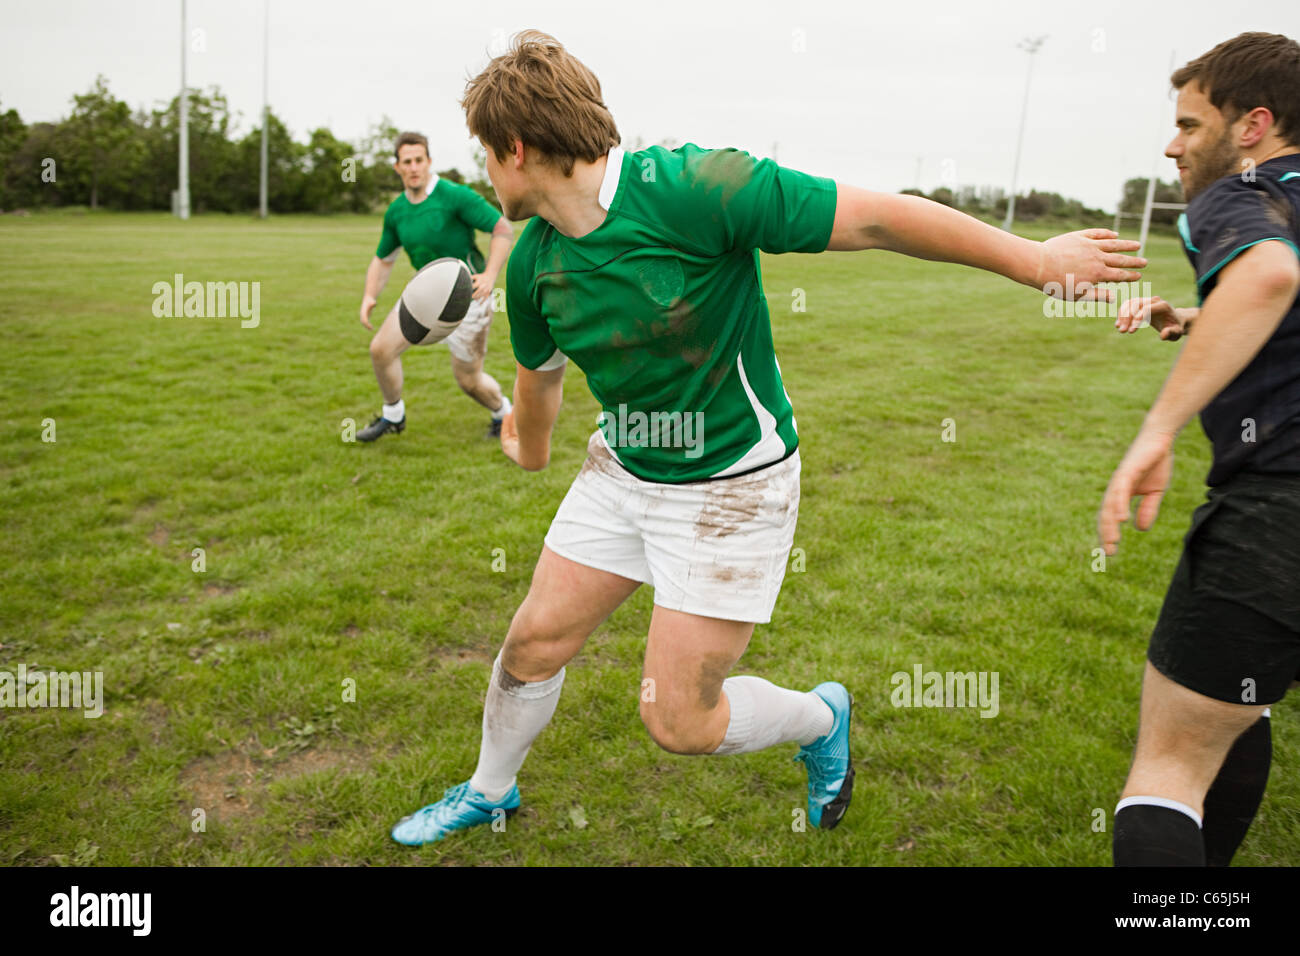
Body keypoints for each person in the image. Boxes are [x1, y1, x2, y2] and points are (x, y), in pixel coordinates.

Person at [392, 30, 1145, 846]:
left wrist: (1035, 260)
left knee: (679, 721)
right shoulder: (538, 262)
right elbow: (538, 395)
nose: (482, 170)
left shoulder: (698, 186)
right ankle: (490, 789)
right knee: (533, 643)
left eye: (483, 152)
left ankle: (822, 718)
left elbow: (878, 221)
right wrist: (521, 441)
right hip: (622, 471)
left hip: (732, 488)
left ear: (515, 146)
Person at [1103, 31, 1300, 866]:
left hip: (1279, 509)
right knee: (1238, 701)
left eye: (1189, 124)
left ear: (1252, 125)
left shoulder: (1231, 195)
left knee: (1172, 768)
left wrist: (1158, 429)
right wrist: (1192, 319)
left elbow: (1268, 277)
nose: (1172, 144)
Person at [355, 132, 516, 441]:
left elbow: (501, 228)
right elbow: (383, 259)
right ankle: (393, 416)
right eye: (407, 162)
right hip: (426, 297)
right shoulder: (397, 211)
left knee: (468, 381)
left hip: (470, 299)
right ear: (397, 167)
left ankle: (503, 412)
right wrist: (369, 295)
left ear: (429, 162)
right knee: (381, 350)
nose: (414, 167)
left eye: (419, 160)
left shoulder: (455, 196)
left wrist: (490, 275)